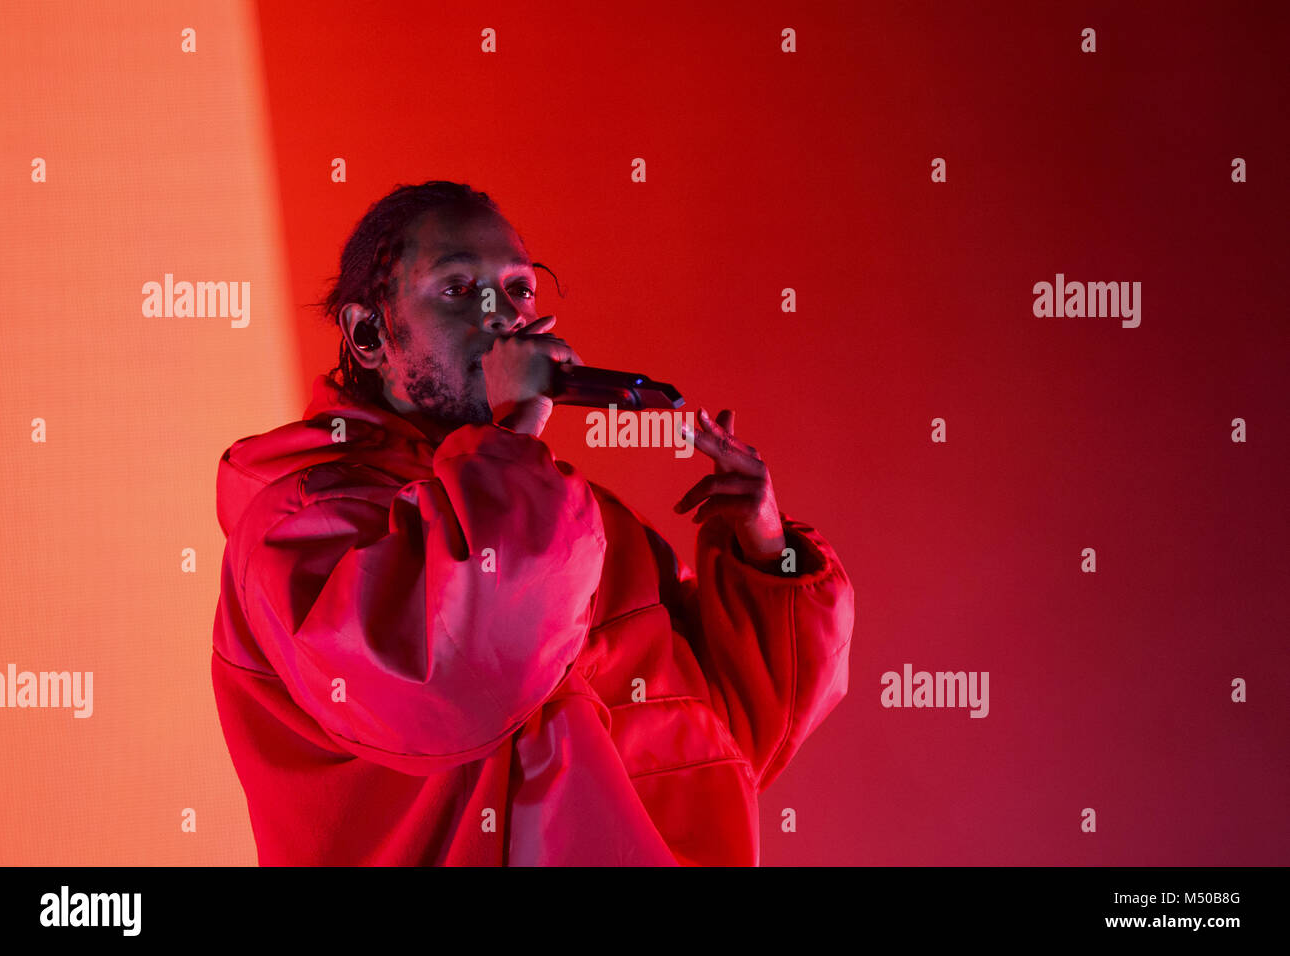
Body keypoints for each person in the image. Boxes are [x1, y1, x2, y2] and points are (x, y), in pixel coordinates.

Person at [211, 181, 855, 865]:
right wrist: (516, 432)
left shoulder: (575, 516)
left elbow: (724, 742)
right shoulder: (305, 520)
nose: (504, 317)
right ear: (369, 335)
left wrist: (765, 554)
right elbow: (452, 684)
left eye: (520, 289)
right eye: (459, 290)